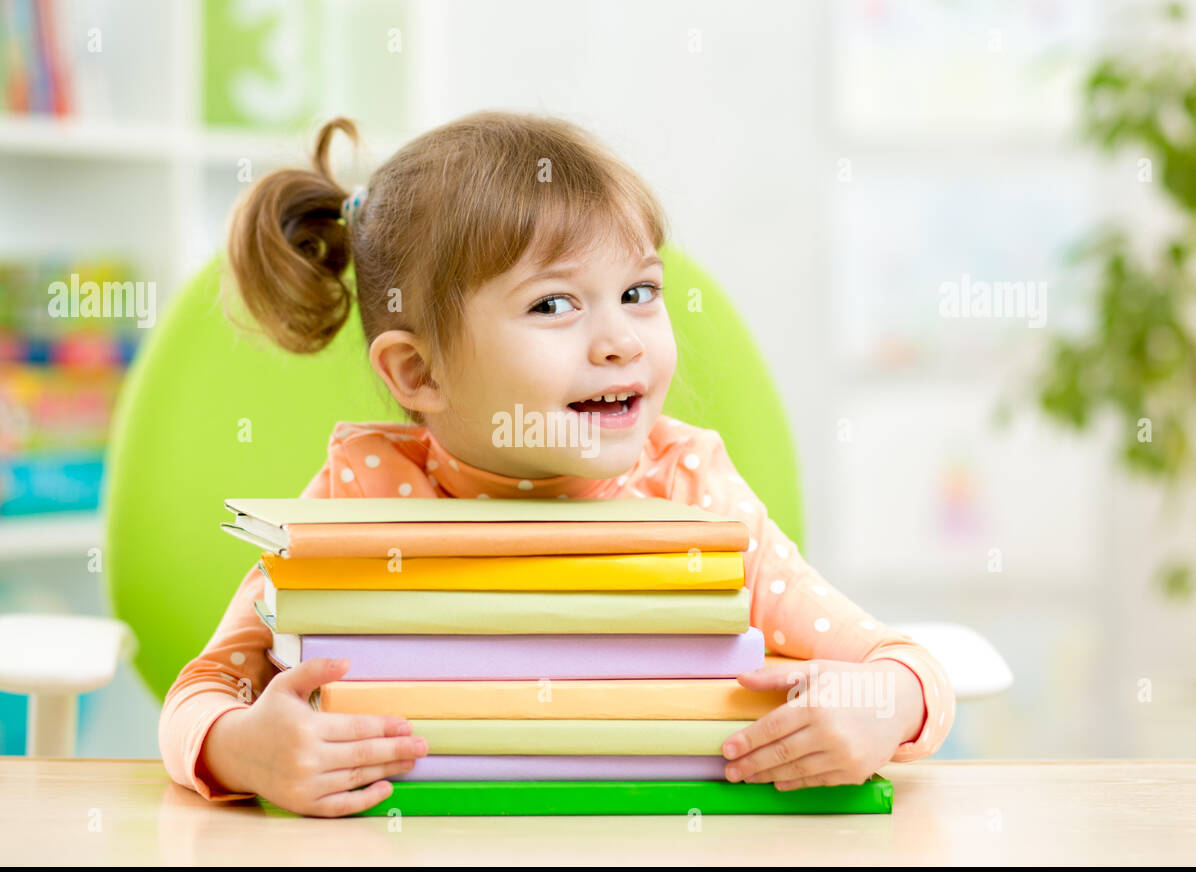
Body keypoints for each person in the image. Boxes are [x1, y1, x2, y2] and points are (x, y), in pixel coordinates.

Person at [159, 110, 955, 818]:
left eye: (640, 291)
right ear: (418, 374)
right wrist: (240, 748)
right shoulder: (363, 491)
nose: (621, 340)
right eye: (553, 305)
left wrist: (884, 703)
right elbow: (204, 691)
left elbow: (905, 665)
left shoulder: (689, 487)